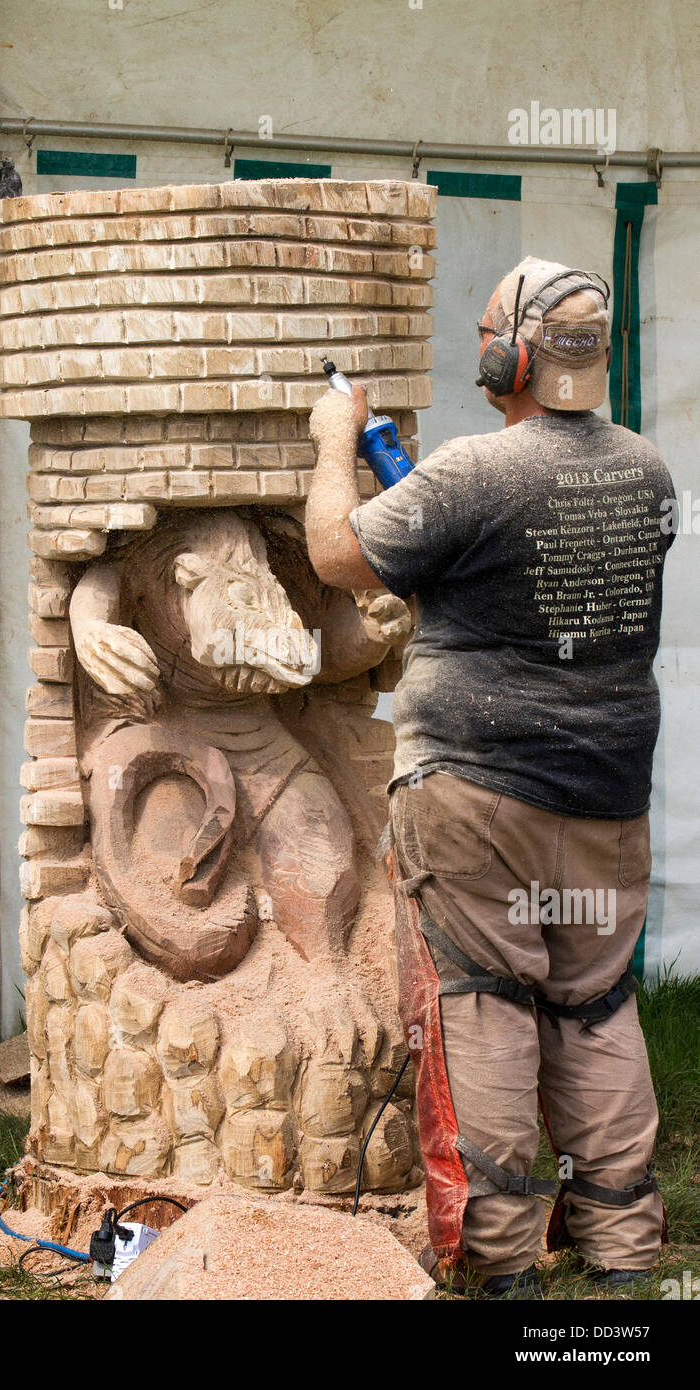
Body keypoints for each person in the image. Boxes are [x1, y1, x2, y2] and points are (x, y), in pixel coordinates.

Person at [304, 256, 675, 1298]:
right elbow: (524, 564)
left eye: (483, 330)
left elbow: (336, 552)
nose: (477, 345)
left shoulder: (476, 473)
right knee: (595, 1008)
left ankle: (505, 1266)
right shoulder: (644, 470)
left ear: (515, 351)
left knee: (485, 1006)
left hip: (475, 797)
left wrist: (338, 444)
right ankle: (621, 1254)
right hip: (604, 795)